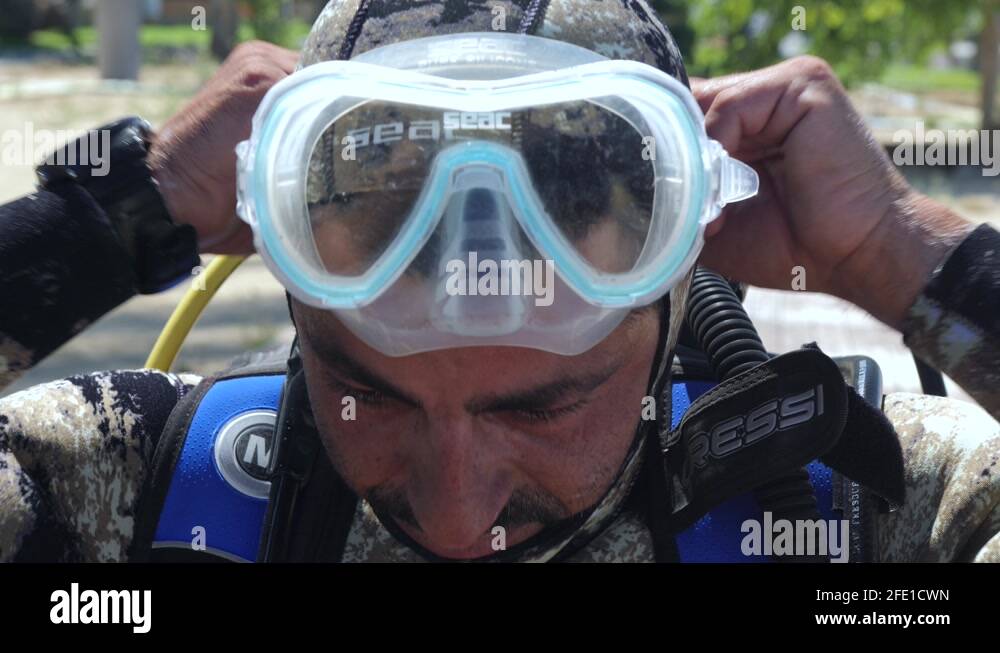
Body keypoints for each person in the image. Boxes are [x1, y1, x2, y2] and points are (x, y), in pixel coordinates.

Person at [0, 0, 997, 563]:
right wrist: (120, 214)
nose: (453, 516)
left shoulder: (875, 509)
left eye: (545, 403)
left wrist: (896, 249)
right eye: (371, 391)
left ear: (665, 309)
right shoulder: (131, 486)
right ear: (300, 303)